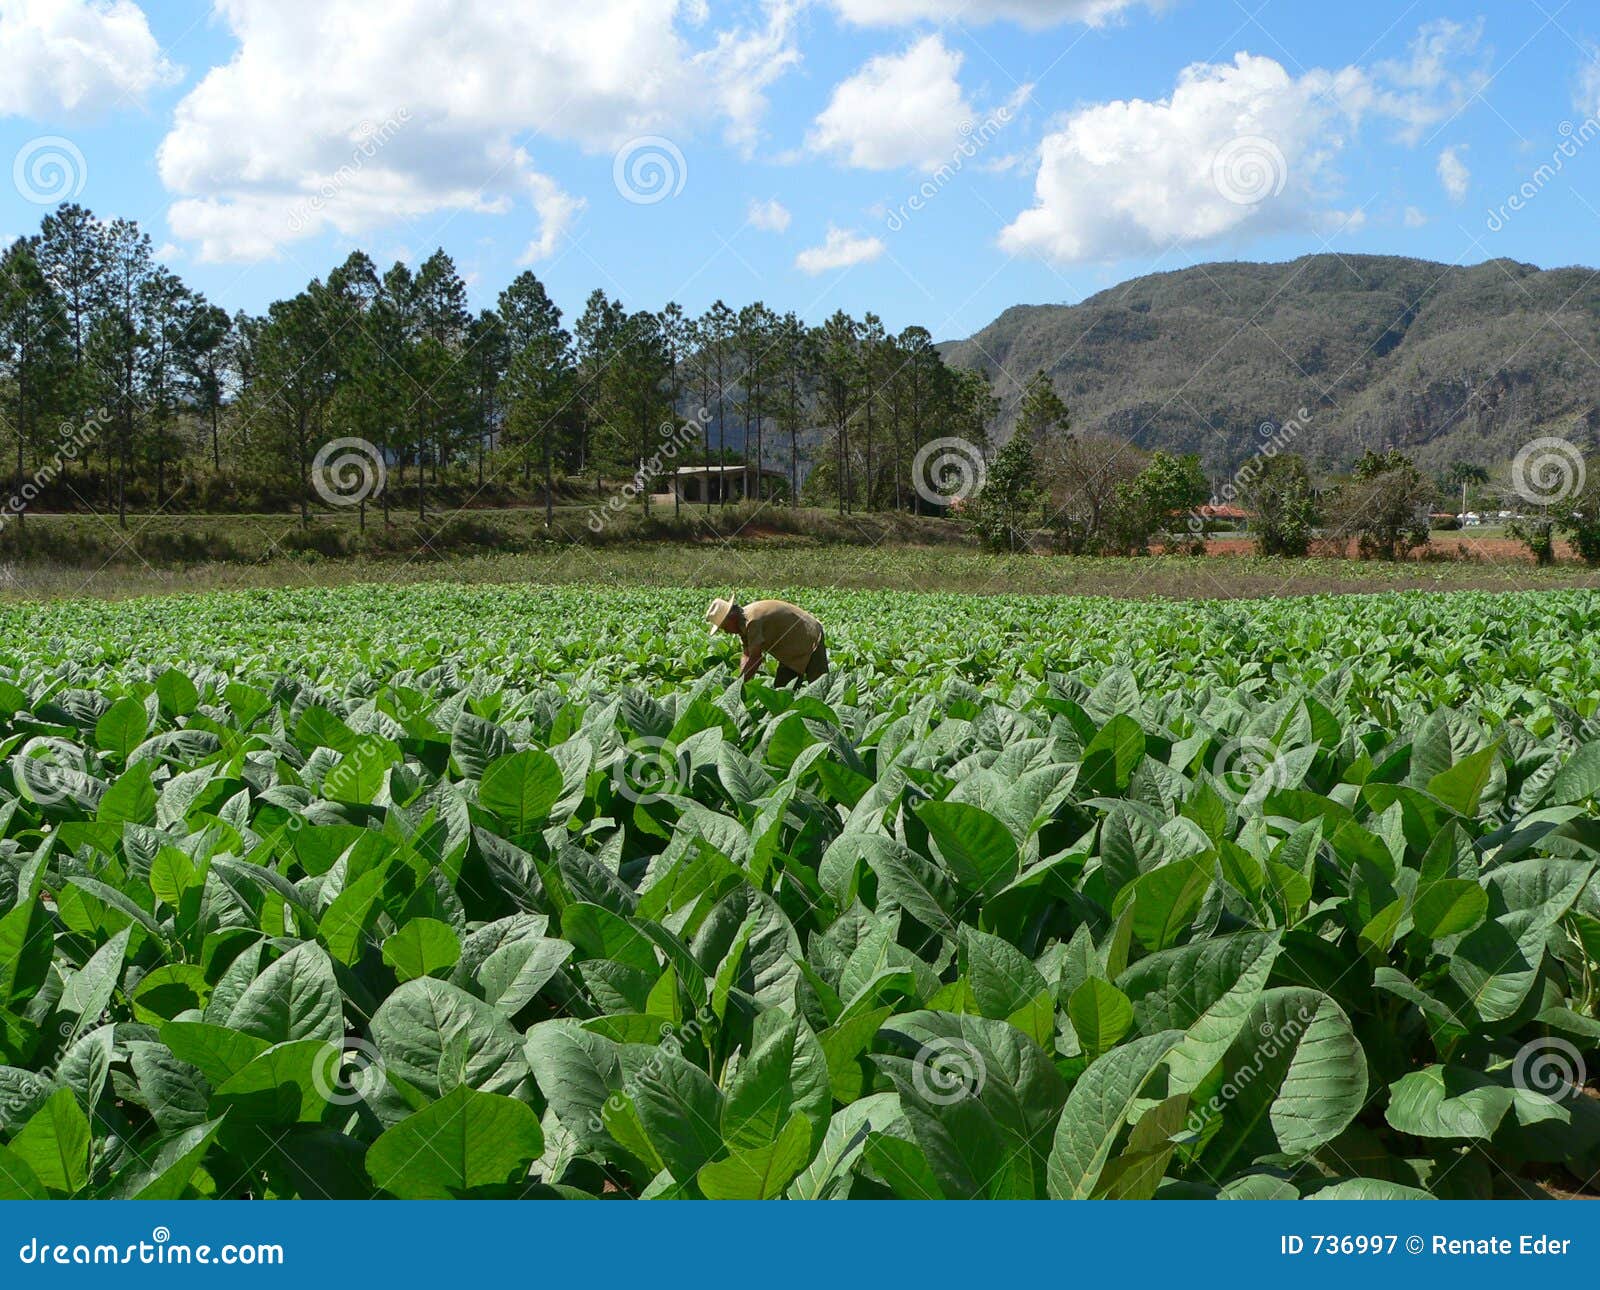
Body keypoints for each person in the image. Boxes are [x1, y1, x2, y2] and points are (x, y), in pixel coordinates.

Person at [706, 596, 829, 686]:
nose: (726, 632)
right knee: (783, 689)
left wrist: (739, 684)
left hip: (809, 635)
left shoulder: (752, 621)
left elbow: (755, 658)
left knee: (820, 685)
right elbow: (747, 654)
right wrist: (740, 679)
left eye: (724, 627)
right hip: (790, 649)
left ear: (731, 618)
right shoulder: (742, 622)